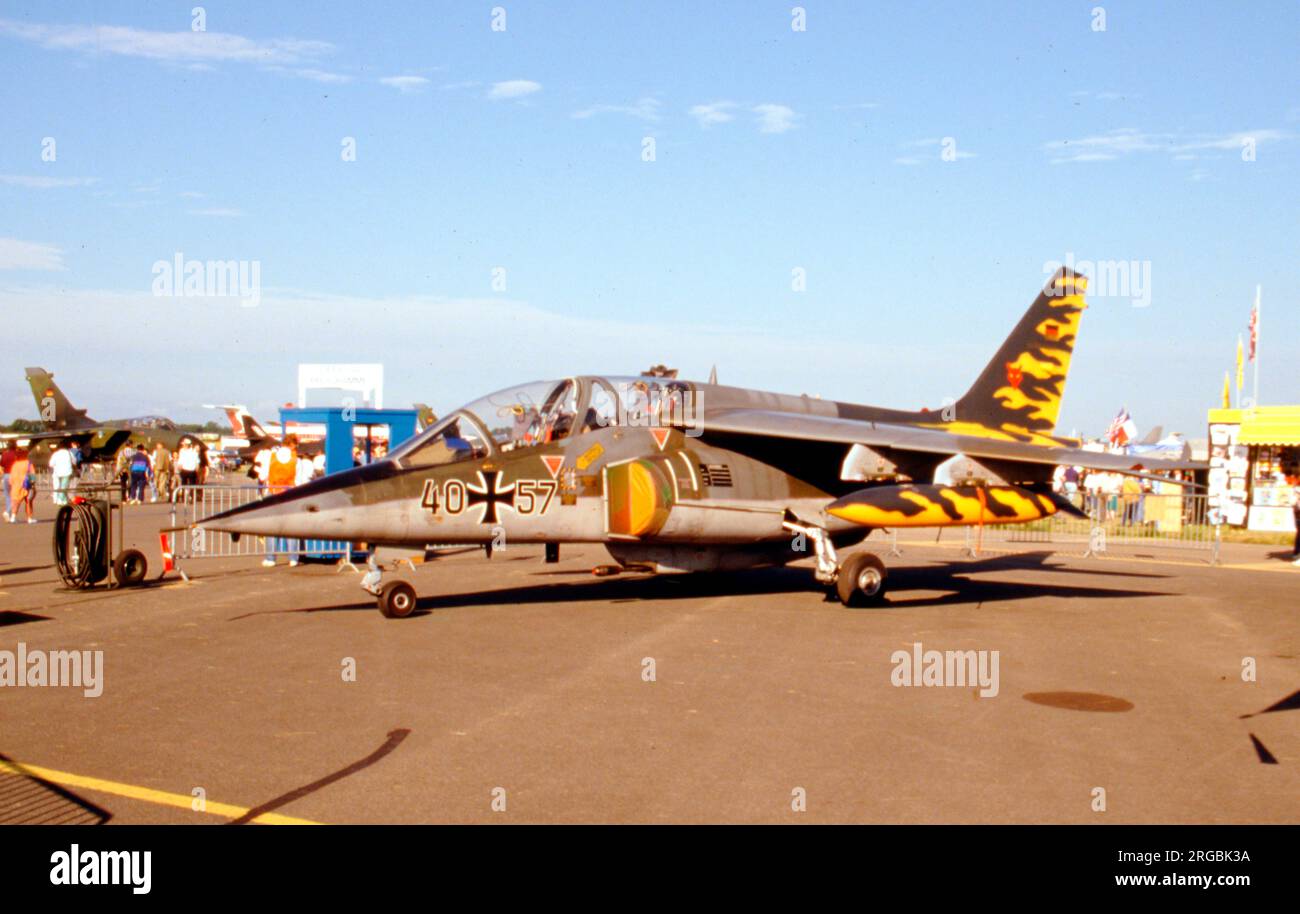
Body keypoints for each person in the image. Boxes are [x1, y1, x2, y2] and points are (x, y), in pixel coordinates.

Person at [263, 436, 301, 567]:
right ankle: (293, 558)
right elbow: (300, 478)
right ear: (293, 445)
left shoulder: (272, 456)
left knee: (272, 526)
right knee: (291, 527)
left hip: (273, 492)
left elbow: (263, 475)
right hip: (290, 493)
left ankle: (270, 558)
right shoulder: (296, 459)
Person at [9, 447, 35, 524]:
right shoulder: (28, 463)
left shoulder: (15, 464)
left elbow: (11, 477)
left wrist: (12, 484)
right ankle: (29, 518)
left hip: (16, 486)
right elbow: (32, 474)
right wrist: (33, 483)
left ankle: (13, 517)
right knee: (28, 502)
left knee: (16, 502)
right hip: (26, 485)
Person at [49, 442, 75, 506]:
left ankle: (56, 499)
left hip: (57, 472)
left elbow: (51, 464)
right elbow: (74, 461)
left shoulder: (56, 454)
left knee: (57, 486)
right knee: (64, 486)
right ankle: (62, 500)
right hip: (67, 472)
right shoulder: (69, 453)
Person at [2, 439, 16, 522]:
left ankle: (10, 516)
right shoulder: (16, 454)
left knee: (7, 495)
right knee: (16, 496)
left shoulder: (4, 454)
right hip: (14, 475)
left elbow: (2, 464)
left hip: (6, 475)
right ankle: (8, 512)